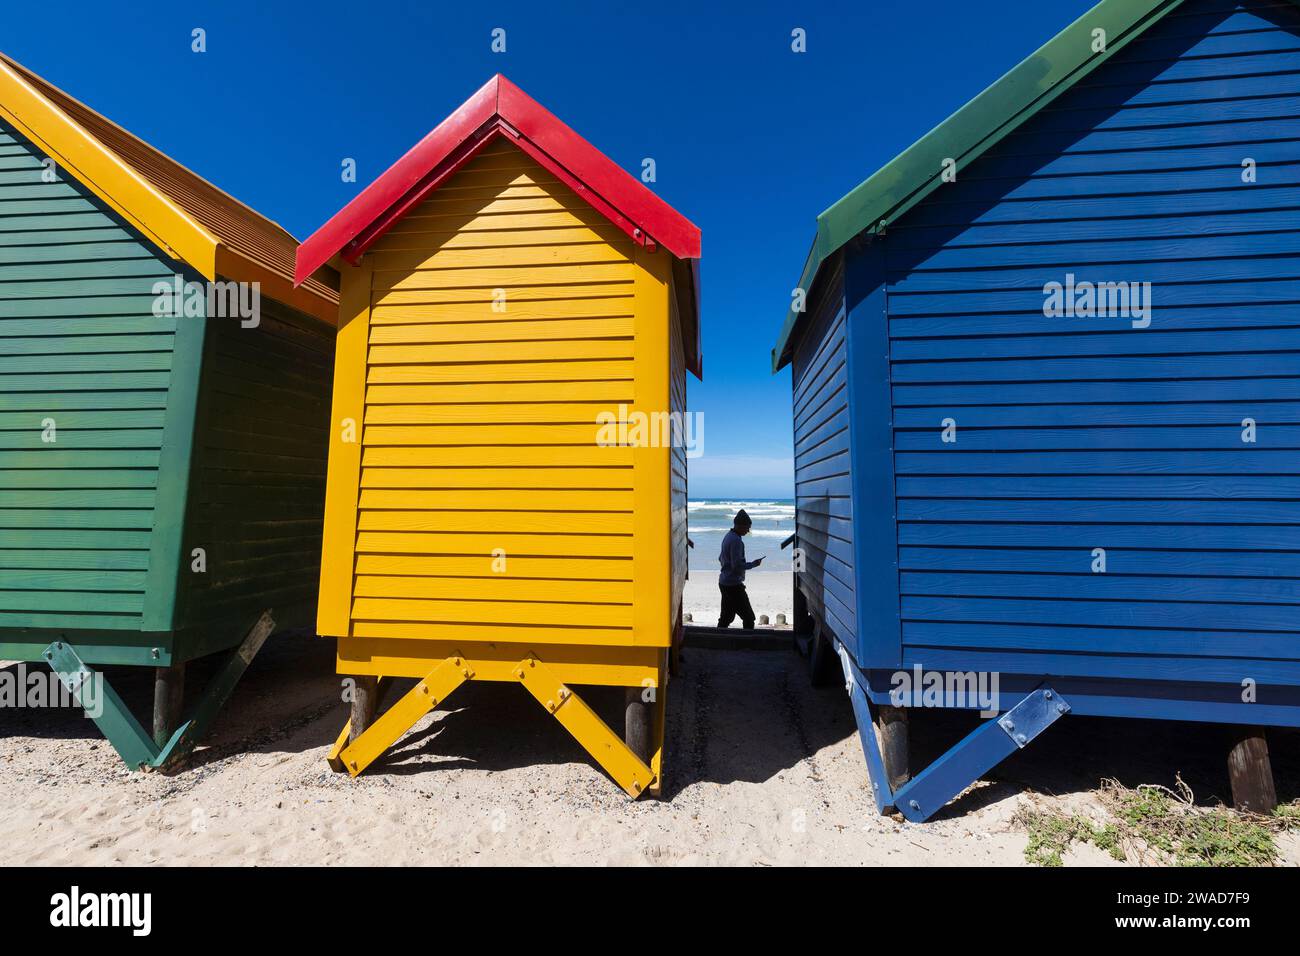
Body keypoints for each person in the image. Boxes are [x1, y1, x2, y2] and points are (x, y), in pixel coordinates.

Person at [718, 509, 763, 629]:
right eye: (747, 527)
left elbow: (720, 558)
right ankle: (747, 644)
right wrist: (753, 564)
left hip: (724, 582)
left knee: (726, 616)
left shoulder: (728, 536)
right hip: (733, 584)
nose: (748, 531)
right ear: (739, 525)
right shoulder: (736, 541)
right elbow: (736, 566)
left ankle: (718, 640)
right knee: (748, 617)